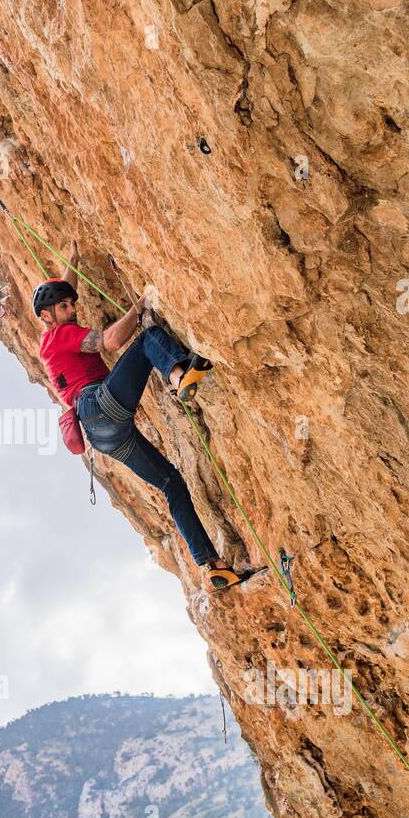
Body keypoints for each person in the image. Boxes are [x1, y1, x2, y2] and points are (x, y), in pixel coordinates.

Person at [34, 242, 252, 592]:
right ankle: (180, 377)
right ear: (47, 316)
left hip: (103, 437)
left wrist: (72, 260)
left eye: (72, 303)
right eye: (65, 307)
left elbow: (60, 295)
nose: (72, 309)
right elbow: (110, 341)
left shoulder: (50, 339)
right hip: (99, 405)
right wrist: (138, 308)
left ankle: (212, 566)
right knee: (148, 338)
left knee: (172, 483)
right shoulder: (61, 334)